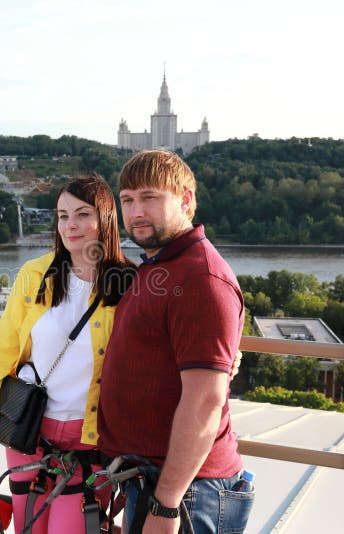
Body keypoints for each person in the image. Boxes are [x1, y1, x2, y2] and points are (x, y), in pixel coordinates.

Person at [0, 174, 136, 534]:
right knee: (27, 530)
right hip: (27, 432)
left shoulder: (129, 284)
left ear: (105, 218)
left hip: (88, 445)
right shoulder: (35, 275)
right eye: (62, 216)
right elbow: (3, 354)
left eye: (82, 214)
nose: (70, 225)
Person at [97, 150, 254, 534]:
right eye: (128, 199)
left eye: (150, 197)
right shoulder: (160, 266)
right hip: (154, 481)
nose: (135, 211)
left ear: (185, 201)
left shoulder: (199, 278)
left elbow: (204, 402)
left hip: (187, 493)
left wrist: (166, 504)